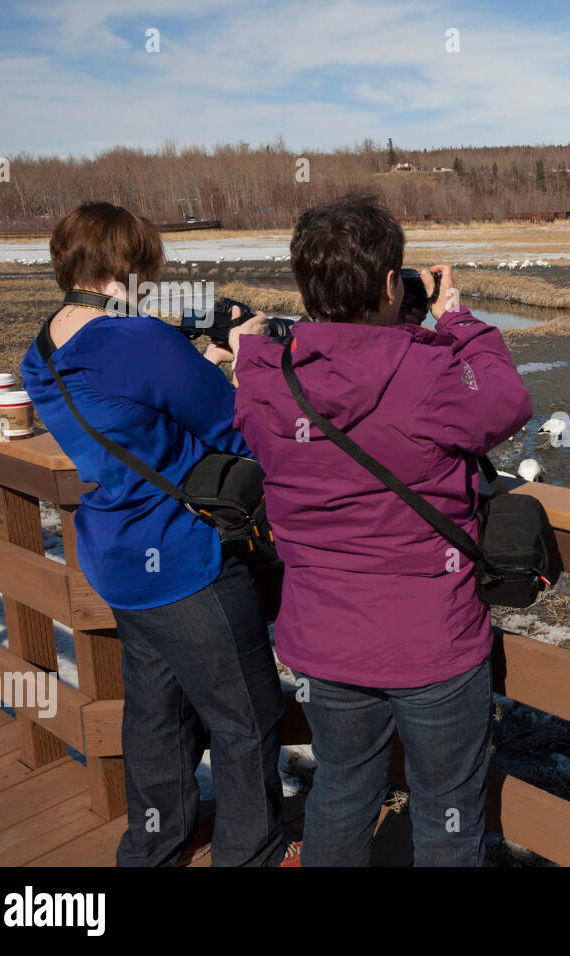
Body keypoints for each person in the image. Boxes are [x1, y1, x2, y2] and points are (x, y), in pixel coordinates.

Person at [230, 192, 532, 866]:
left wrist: (250, 342)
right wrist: (459, 320)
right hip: (433, 642)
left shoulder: (264, 380)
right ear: (393, 284)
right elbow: (507, 401)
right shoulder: (429, 370)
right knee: (447, 810)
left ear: (307, 289)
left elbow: (306, 376)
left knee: (340, 789)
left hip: (326, 640)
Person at [19, 202, 287, 866]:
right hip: (186, 559)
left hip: (118, 554)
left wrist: (197, 355)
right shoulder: (137, 338)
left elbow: (127, 410)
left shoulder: (46, 345)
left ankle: (153, 846)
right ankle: (249, 854)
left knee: (156, 715)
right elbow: (235, 428)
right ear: (120, 269)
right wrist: (247, 356)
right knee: (246, 721)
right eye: (143, 269)